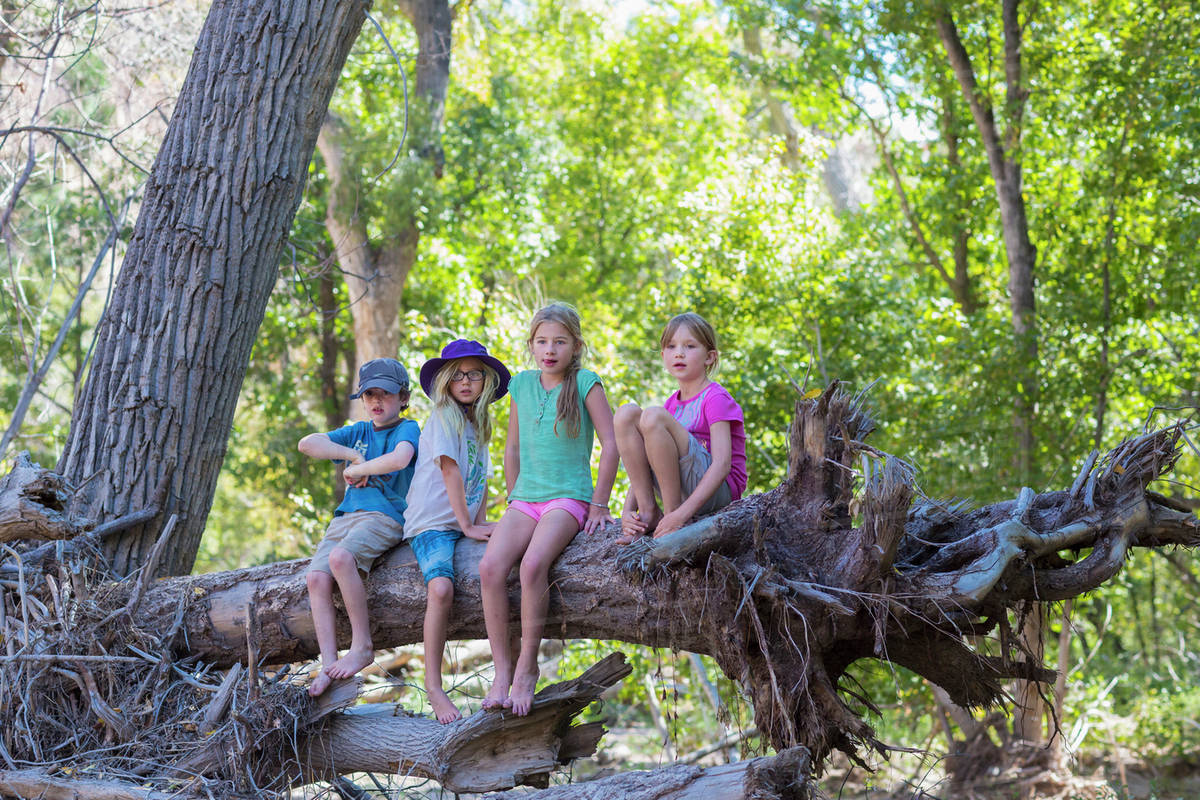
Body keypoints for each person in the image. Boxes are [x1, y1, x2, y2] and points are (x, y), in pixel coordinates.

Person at [478, 302, 618, 716]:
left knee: (532, 566)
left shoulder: (586, 383)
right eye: (542, 341)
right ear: (531, 345)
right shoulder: (521, 384)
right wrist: (513, 498)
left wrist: (599, 503)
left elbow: (612, 444)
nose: (550, 350)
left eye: (559, 341)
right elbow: (512, 447)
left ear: (576, 346)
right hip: (526, 499)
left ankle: (527, 668)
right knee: (489, 568)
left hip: (567, 498)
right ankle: (501, 672)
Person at [299, 358, 420, 697]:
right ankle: (327, 665)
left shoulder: (407, 428)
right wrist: (353, 457)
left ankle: (363, 646)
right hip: (345, 517)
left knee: (340, 559)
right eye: (369, 394)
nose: (377, 401)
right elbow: (308, 443)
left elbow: (400, 458)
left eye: (386, 393)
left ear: (404, 398)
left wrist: (359, 469)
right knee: (316, 578)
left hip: (384, 516)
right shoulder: (359, 432)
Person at [404, 339, 510, 723]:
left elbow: (478, 479)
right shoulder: (444, 417)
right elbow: (450, 471)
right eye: (458, 375)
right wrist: (467, 525)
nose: (466, 382)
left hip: (462, 523)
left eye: (474, 374)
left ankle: (509, 674)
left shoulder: (478, 424)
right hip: (432, 524)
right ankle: (433, 686)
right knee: (441, 589)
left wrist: (479, 523)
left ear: (486, 381)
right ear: (446, 382)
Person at [615, 312, 746, 542]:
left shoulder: (715, 398)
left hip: (718, 491)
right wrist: (628, 510)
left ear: (710, 357)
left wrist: (679, 515)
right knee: (626, 413)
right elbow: (645, 460)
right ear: (663, 355)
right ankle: (648, 513)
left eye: (690, 346)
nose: (679, 353)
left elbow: (722, 464)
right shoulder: (671, 405)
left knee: (652, 415)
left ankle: (671, 515)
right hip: (683, 487)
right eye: (671, 346)